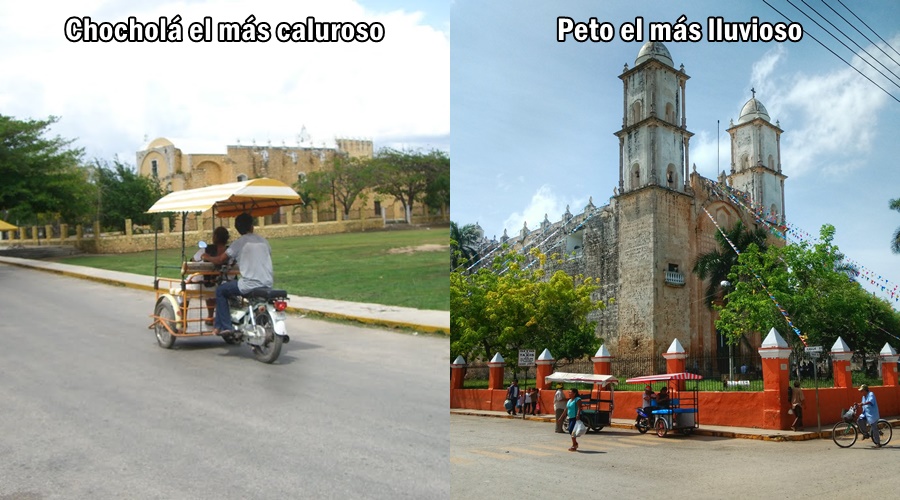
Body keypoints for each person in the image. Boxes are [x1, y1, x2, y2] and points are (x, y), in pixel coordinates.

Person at [203, 213, 274, 337]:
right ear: (252, 226)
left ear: (237, 229)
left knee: (220, 290)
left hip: (248, 285)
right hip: (267, 282)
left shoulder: (239, 243)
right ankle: (218, 327)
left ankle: (226, 326)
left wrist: (207, 257)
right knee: (225, 289)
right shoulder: (264, 241)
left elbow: (220, 260)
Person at [191, 226, 230, 325]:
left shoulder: (205, 251)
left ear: (215, 237)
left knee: (184, 289)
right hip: (226, 282)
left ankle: (182, 321)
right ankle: (210, 316)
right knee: (211, 290)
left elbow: (193, 262)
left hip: (208, 284)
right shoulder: (231, 251)